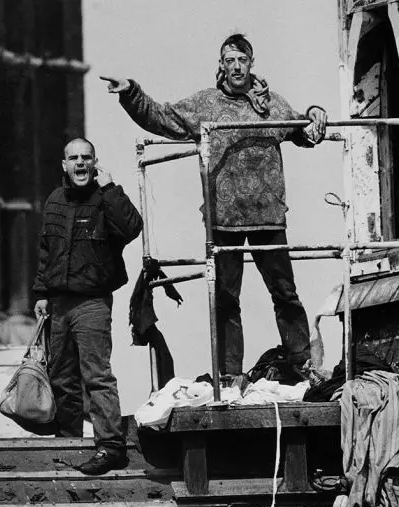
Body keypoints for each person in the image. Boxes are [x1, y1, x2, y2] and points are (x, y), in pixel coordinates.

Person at [101, 33, 327, 381]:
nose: (236, 66)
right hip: (223, 222)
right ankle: (229, 374)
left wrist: (315, 112)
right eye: (230, 60)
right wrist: (131, 91)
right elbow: (162, 118)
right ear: (221, 65)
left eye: (242, 59)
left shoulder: (271, 104)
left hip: (268, 217)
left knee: (285, 292)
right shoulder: (205, 104)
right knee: (225, 298)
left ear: (252, 63)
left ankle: (302, 363)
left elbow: (303, 130)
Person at [33, 137, 143, 475]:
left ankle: (111, 445)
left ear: (95, 163)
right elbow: (45, 251)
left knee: (96, 375)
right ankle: (68, 442)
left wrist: (111, 189)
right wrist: (40, 294)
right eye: (73, 158)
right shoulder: (54, 200)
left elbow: (131, 228)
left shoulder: (105, 198)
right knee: (61, 377)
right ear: (63, 164)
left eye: (86, 158)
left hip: (92, 302)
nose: (80, 163)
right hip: (59, 303)